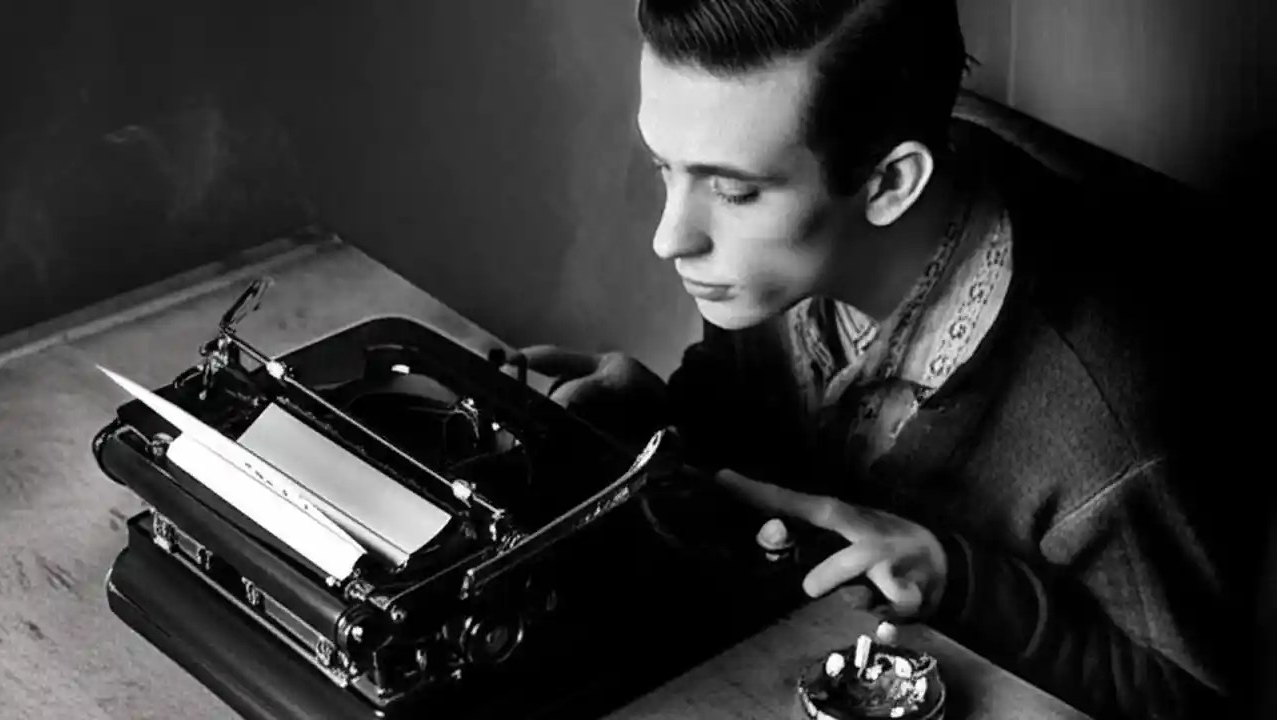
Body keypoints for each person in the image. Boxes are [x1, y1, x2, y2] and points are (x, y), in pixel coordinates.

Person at [516, 1, 1251, 718]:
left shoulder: (1107, 418)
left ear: (892, 183)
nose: (670, 237)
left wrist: (959, 580)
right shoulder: (782, 255)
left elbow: (1190, 695)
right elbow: (753, 435)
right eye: (662, 167)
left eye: (734, 192)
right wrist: (653, 431)